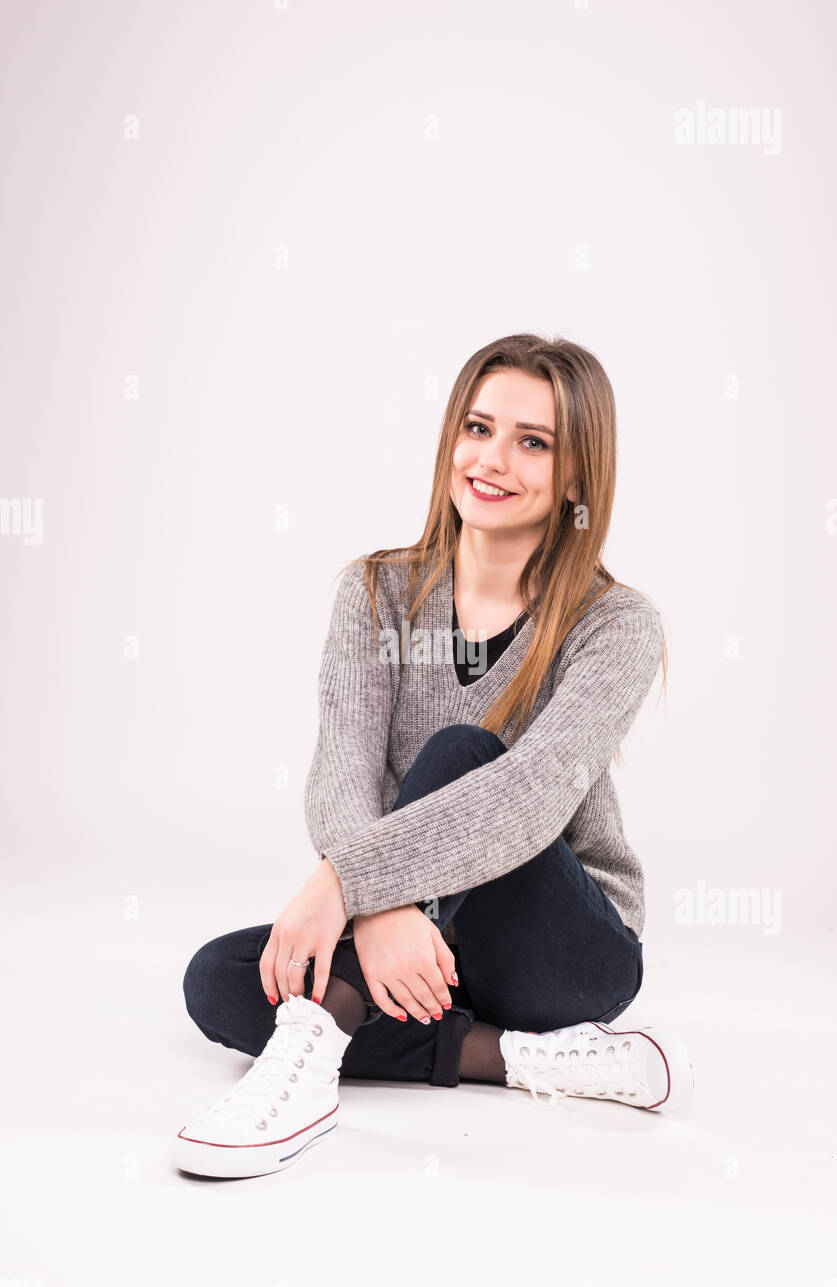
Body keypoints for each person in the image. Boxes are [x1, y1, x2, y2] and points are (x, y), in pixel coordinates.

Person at [173, 333, 693, 1180]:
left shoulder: (615, 624)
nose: (493, 459)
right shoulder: (376, 592)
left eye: (534, 442)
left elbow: (527, 799)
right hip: (428, 949)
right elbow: (340, 775)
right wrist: (381, 914)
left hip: (562, 949)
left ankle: (309, 1071)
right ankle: (520, 1059)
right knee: (223, 981)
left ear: (574, 476)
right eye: (478, 428)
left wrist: (349, 889)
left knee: (462, 754)